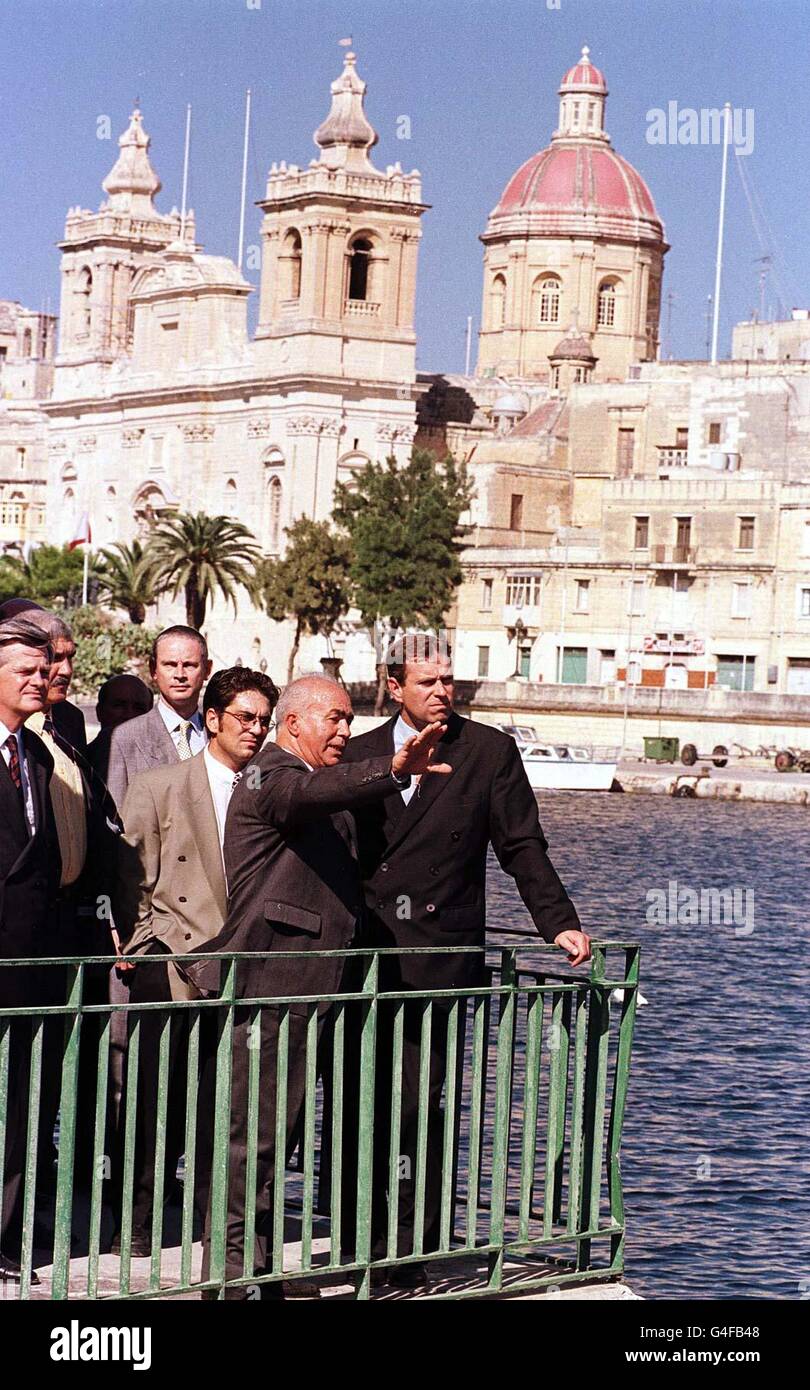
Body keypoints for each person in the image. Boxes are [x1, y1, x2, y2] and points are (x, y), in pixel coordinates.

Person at [183, 674, 450, 1299]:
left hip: (317, 991)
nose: (345, 730)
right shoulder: (269, 776)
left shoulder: (310, 787)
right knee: (254, 1140)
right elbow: (308, 792)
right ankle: (228, 1280)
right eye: (333, 718)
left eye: (350, 719)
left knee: (280, 1140)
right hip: (274, 989)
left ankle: (261, 1273)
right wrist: (390, 767)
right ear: (293, 722)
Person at [341, 634, 590, 1285]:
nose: (442, 692)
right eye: (427, 682)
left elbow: (523, 845)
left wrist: (558, 922)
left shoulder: (487, 752)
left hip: (439, 964)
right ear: (393, 687)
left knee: (421, 1111)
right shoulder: (363, 754)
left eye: (448, 680)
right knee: (351, 1103)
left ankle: (410, 1253)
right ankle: (349, 1236)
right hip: (362, 961)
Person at [112, 667, 279, 1256]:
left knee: (229, 1109)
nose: (256, 730)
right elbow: (131, 877)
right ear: (212, 719)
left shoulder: (270, 788)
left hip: (244, 972)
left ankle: (220, 1229)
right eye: (244, 718)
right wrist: (143, 944)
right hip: (173, 965)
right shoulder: (159, 786)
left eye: (265, 720)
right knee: (155, 1103)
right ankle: (137, 1225)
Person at [0, 618, 60, 1285]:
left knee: (18, 1104)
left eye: (43, 671)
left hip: (26, 966)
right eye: (25, 670)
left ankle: (6, 1235)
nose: (39, 681)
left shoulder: (39, 758)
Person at [105, 626, 211, 811]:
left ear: (207, 670)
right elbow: (116, 820)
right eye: (169, 665)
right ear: (153, 669)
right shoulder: (125, 738)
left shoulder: (217, 734)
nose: (180, 675)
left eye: (189, 665)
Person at [87, 675, 153, 784]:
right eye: (119, 706)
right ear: (100, 712)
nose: (129, 715)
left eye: (138, 708)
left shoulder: (163, 762)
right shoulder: (82, 764)